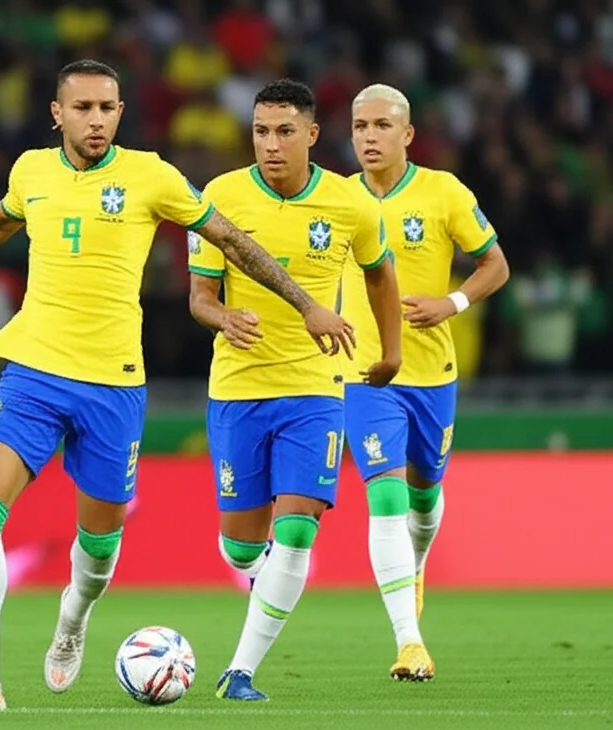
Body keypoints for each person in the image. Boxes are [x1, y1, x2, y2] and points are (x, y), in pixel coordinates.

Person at [0, 59, 354, 713]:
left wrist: (306, 302)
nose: (97, 120)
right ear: (57, 113)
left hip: (113, 384)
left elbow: (233, 241)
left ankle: (73, 617)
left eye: (108, 108)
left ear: (121, 112)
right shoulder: (31, 171)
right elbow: (4, 219)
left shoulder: (151, 176)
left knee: (97, 543)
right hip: (33, 369)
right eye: (83, 108)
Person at [188, 79, 402, 701]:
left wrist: (390, 352)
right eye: (260, 132)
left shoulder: (348, 204)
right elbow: (200, 296)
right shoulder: (219, 198)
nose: (271, 145)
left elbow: (381, 275)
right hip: (237, 388)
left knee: (300, 529)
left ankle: (241, 671)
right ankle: (267, 583)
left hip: (315, 389)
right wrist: (223, 317)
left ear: (311, 134)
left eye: (284, 132)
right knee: (239, 546)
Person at [341, 84, 509, 680]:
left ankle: (418, 564)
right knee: (384, 494)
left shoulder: (443, 192)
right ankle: (409, 641)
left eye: (381, 126)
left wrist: (454, 301)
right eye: (359, 126)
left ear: (407, 134)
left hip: (432, 372)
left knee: (424, 495)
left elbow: (496, 263)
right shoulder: (336, 201)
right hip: (365, 375)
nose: (368, 137)